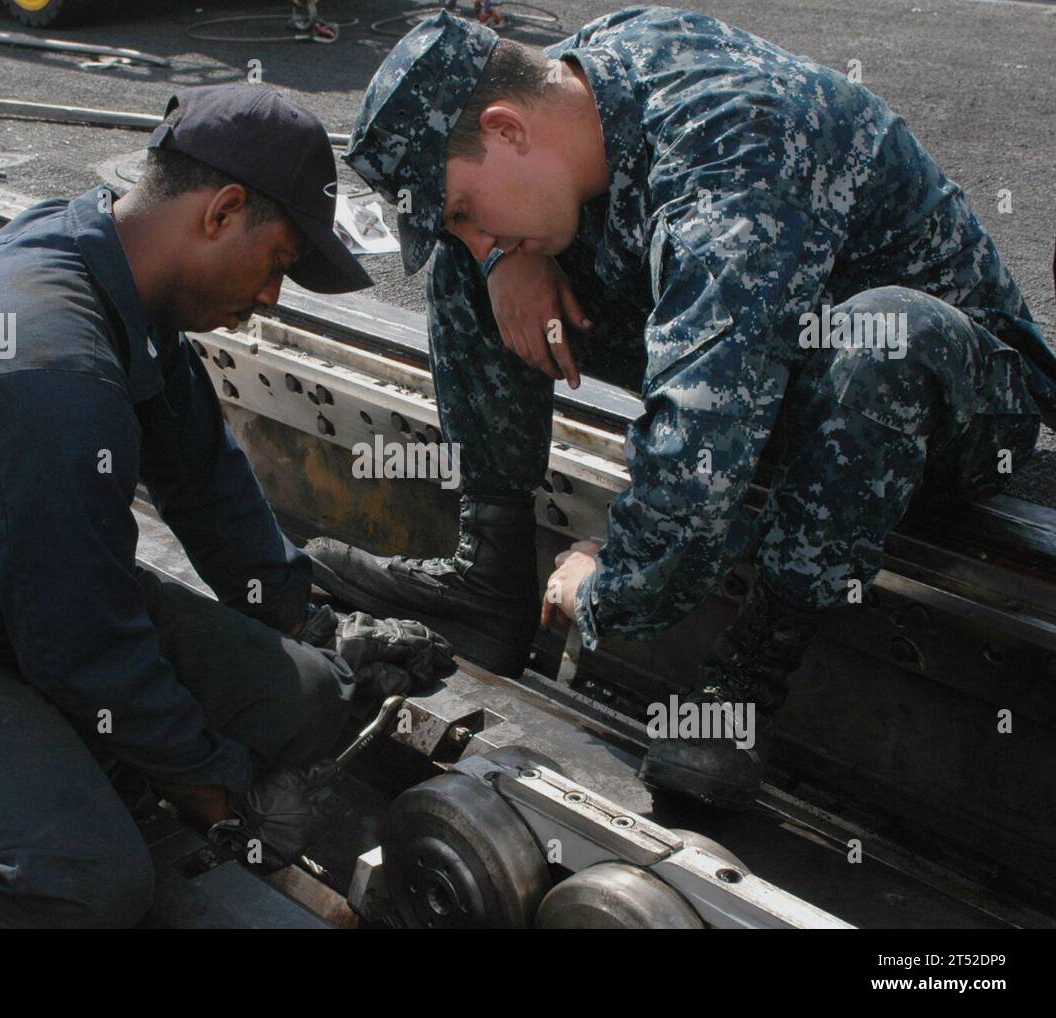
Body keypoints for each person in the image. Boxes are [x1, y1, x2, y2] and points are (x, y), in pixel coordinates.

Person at [308, 8, 1055, 809]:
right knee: (477, 268)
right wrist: (494, 258)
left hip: (946, 400)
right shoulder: (568, 83)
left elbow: (702, 460)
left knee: (885, 341)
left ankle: (744, 684)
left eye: (460, 208)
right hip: (786, 353)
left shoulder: (735, 153)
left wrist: (605, 588)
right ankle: (489, 578)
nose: (467, 229)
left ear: (507, 129)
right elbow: (495, 215)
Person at [0, 84, 451, 928]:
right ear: (223, 211)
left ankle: (83, 758)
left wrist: (308, 622)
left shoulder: (108, 261)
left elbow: (203, 479)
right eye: (277, 263)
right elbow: (82, 644)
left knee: (305, 701)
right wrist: (218, 793)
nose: (273, 297)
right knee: (80, 881)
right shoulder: (52, 364)